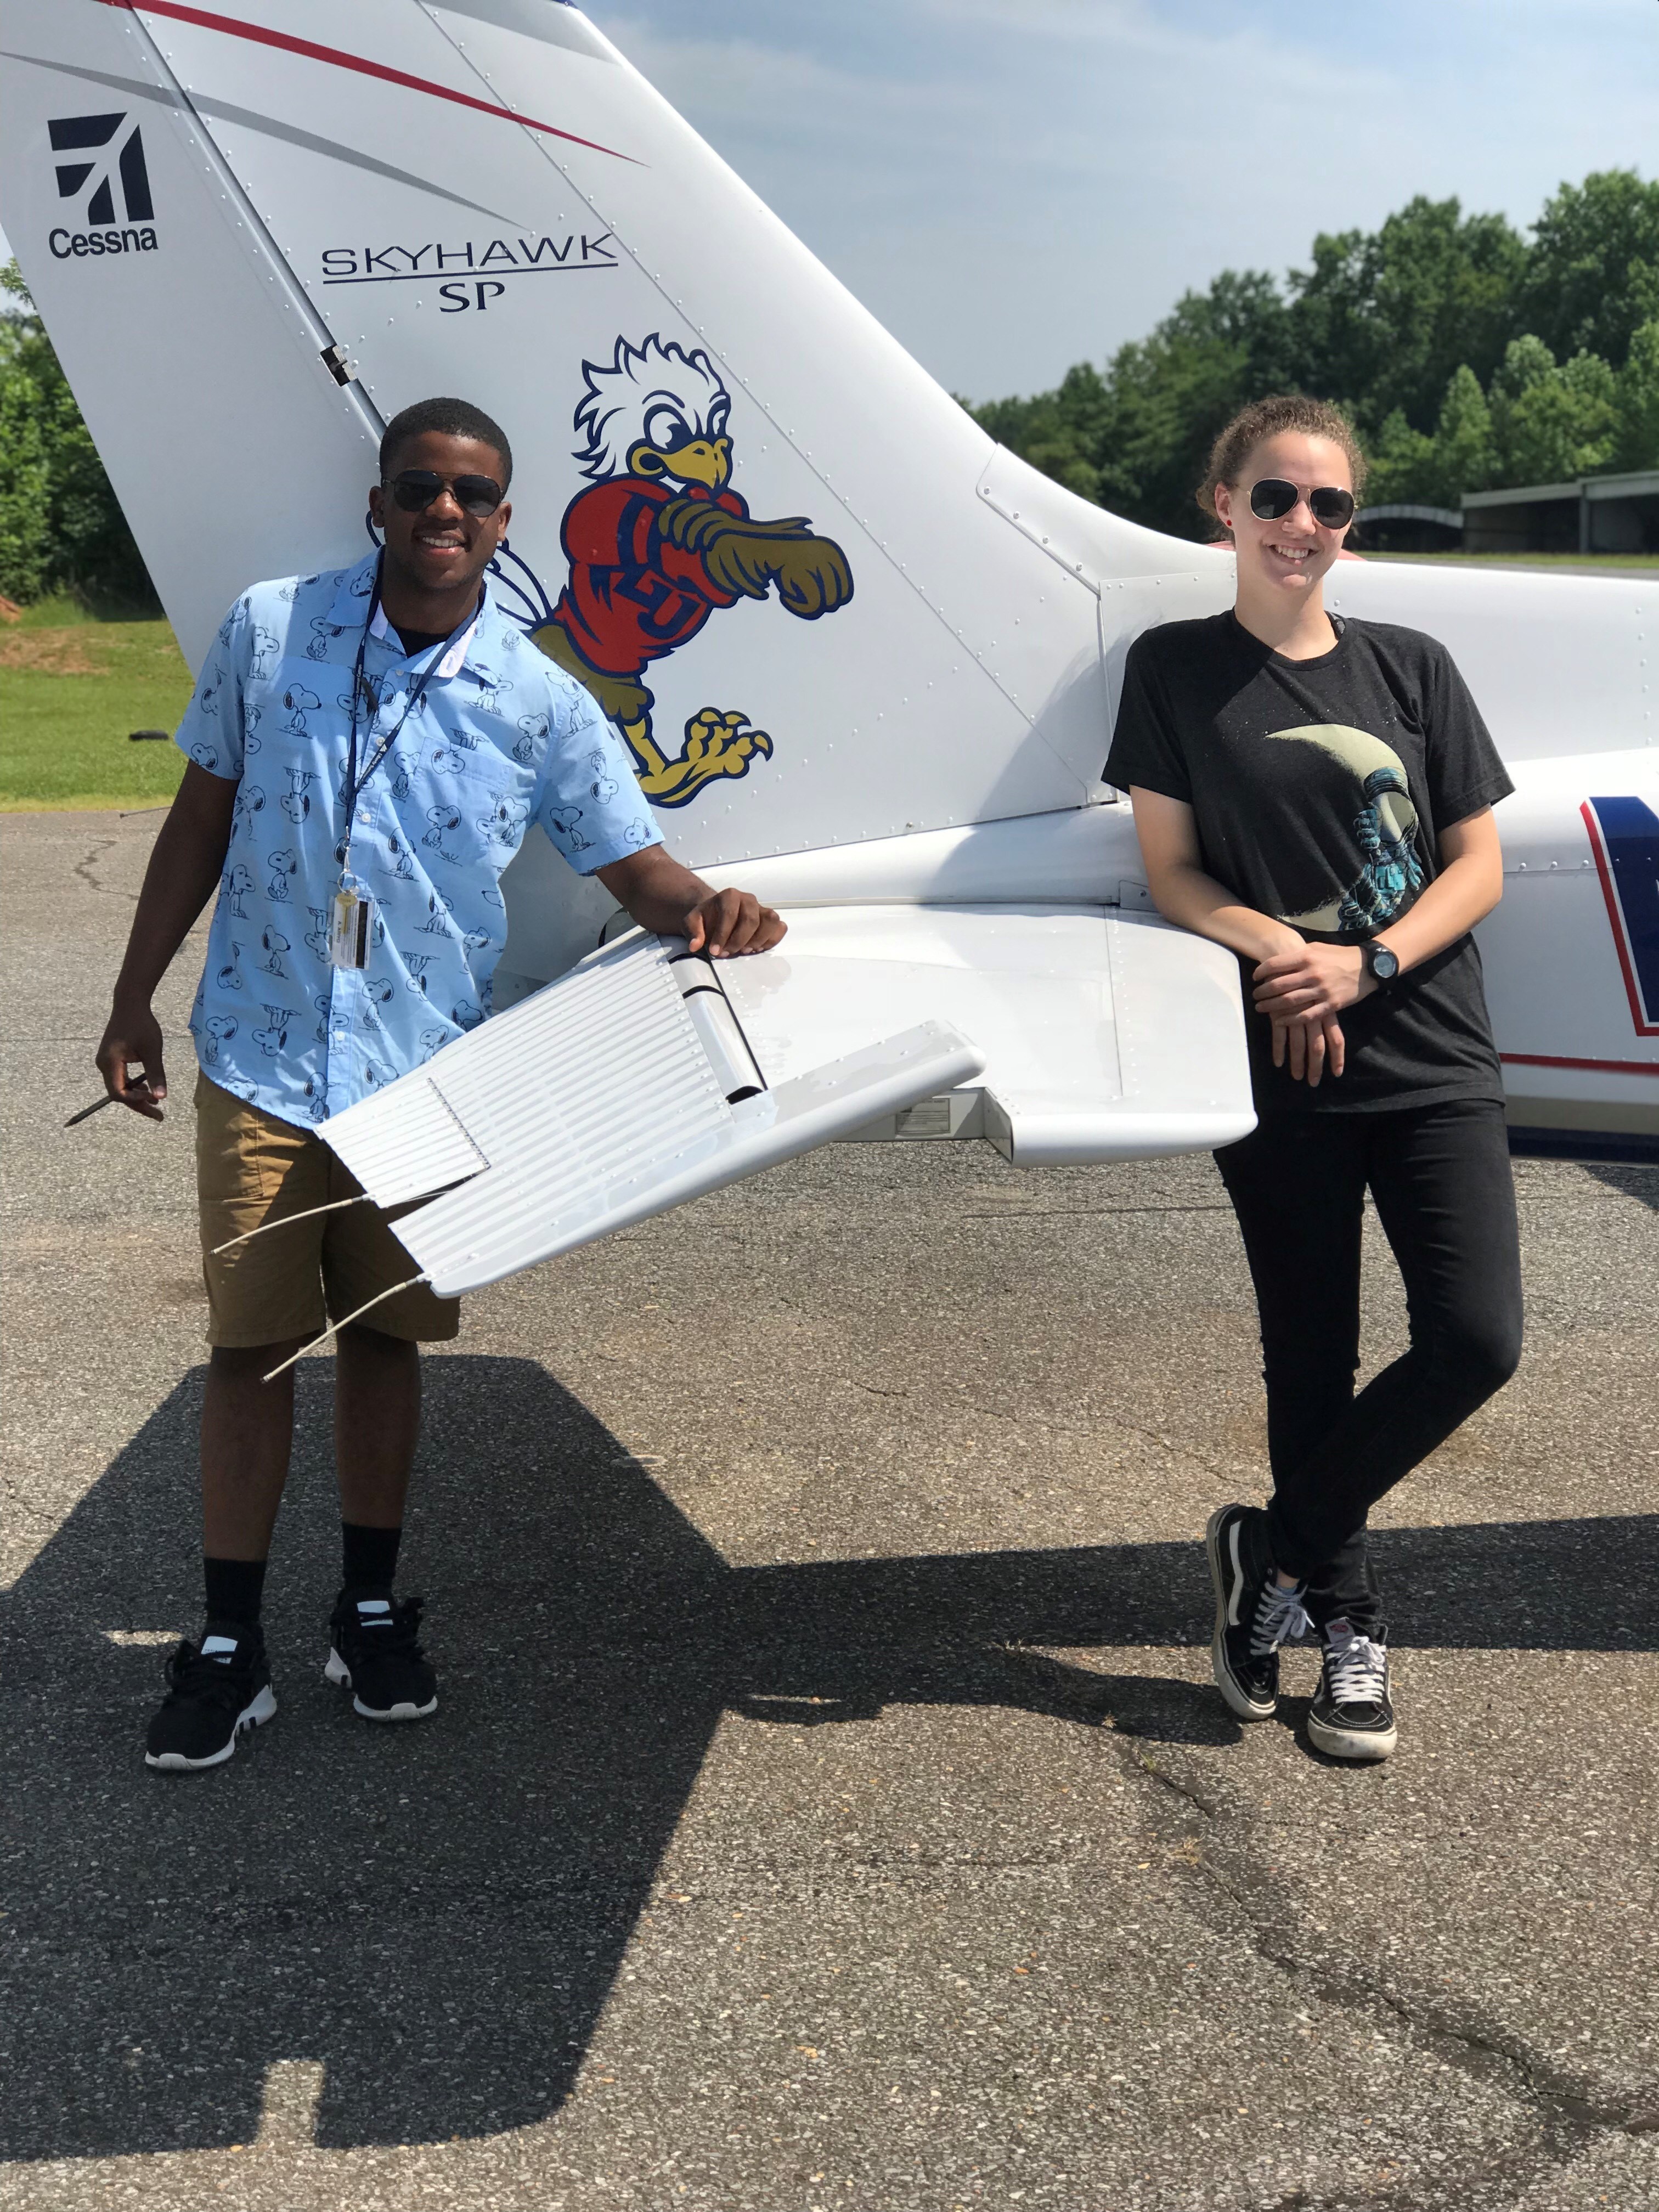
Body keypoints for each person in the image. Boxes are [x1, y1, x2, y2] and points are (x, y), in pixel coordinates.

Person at [97, 395, 785, 1773]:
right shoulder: (272, 629)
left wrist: (715, 908)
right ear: (380, 502)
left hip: (426, 1075)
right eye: (420, 489)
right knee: (248, 1349)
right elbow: (202, 814)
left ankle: (366, 1609)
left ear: (504, 519)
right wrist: (131, 999)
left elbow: (629, 865)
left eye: (472, 494)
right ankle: (231, 1644)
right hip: (266, 1054)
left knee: (388, 1342)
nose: (444, 514)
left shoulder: (538, 698)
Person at [1103, 393, 1522, 1762]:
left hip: (1429, 1048)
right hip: (1281, 1057)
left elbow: (1479, 865)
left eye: (1329, 506)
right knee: (1313, 1352)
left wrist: (1369, 963)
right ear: (1221, 506)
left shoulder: (1412, 665)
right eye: (1275, 498)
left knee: (1477, 1339)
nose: (1302, 527)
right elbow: (1172, 871)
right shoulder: (1173, 668)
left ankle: (1268, 1554)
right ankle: (1342, 1613)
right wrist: (1278, 944)